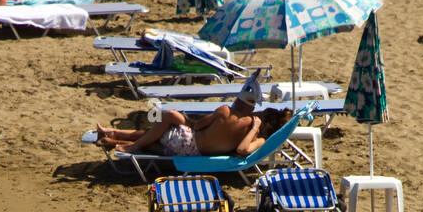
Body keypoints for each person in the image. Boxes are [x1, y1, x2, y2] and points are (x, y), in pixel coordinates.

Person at [94, 73, 284, 157]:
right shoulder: (254, 132)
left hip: (188, 144)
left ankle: (130, 145)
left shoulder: (226, 111)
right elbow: (242, 149)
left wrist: (188, 120)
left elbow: (198, 126)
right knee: (159, 133)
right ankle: (113, 135)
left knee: (167, 119)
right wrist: (254, 128)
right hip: (195, 150)